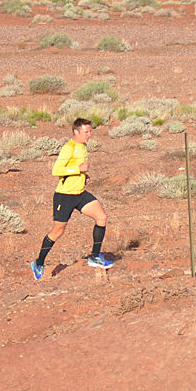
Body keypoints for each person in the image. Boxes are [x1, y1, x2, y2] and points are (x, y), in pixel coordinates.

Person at [30, 117, 113, 279]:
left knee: (101, 217)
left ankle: (95, 256)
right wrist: (78, 169)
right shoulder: (69, 147)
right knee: (58, 231)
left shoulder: (83, 146)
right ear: (76, 132)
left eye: (90, 131)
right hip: (64, 196)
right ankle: (38, 262)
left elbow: (78, 169)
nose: (89, 135)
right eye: (86, 132)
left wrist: (84, 175)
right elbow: (57, 170)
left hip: (80, 193)